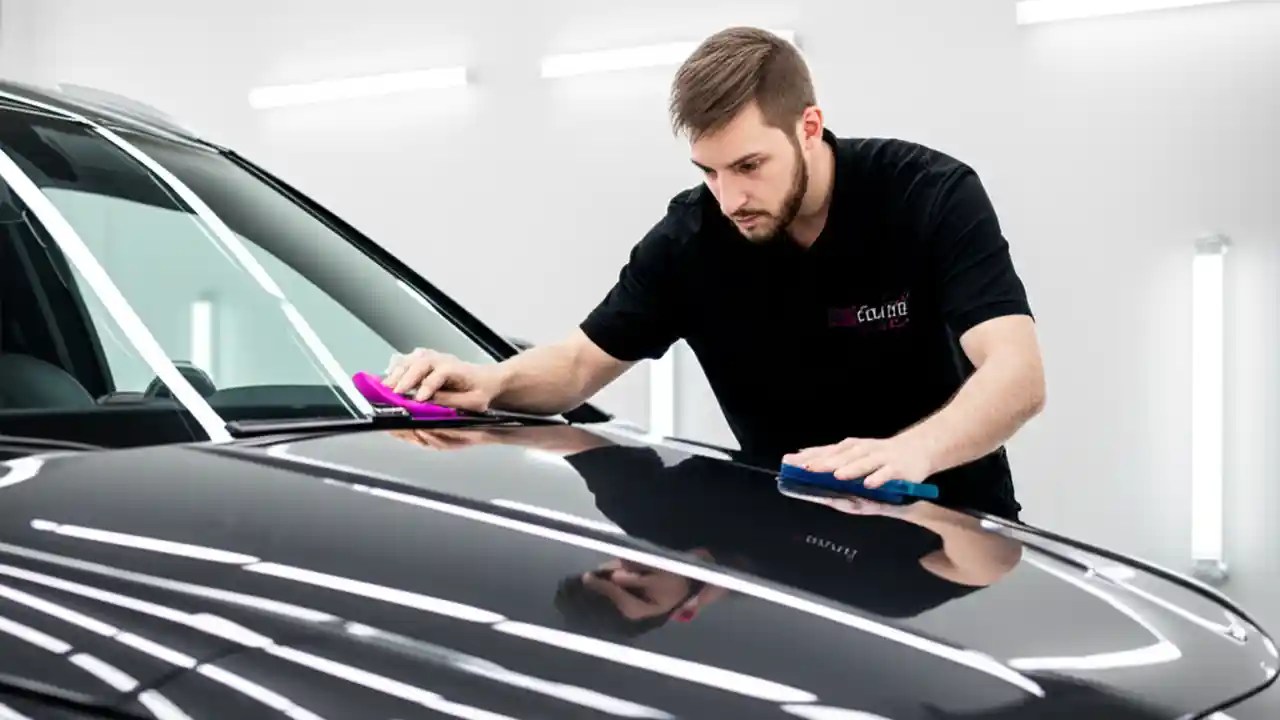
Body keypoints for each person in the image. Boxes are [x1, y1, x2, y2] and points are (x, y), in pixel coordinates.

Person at [383, 26, 1045, 518]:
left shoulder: (929, 194)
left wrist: (909, 454)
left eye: (749, 166)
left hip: (955, 532)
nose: (729, 199)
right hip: (791, 544)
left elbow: (1017, 375)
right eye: (709, 171)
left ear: (809, 126)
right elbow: (581, 364)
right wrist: (490, 381)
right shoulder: (693, 237)